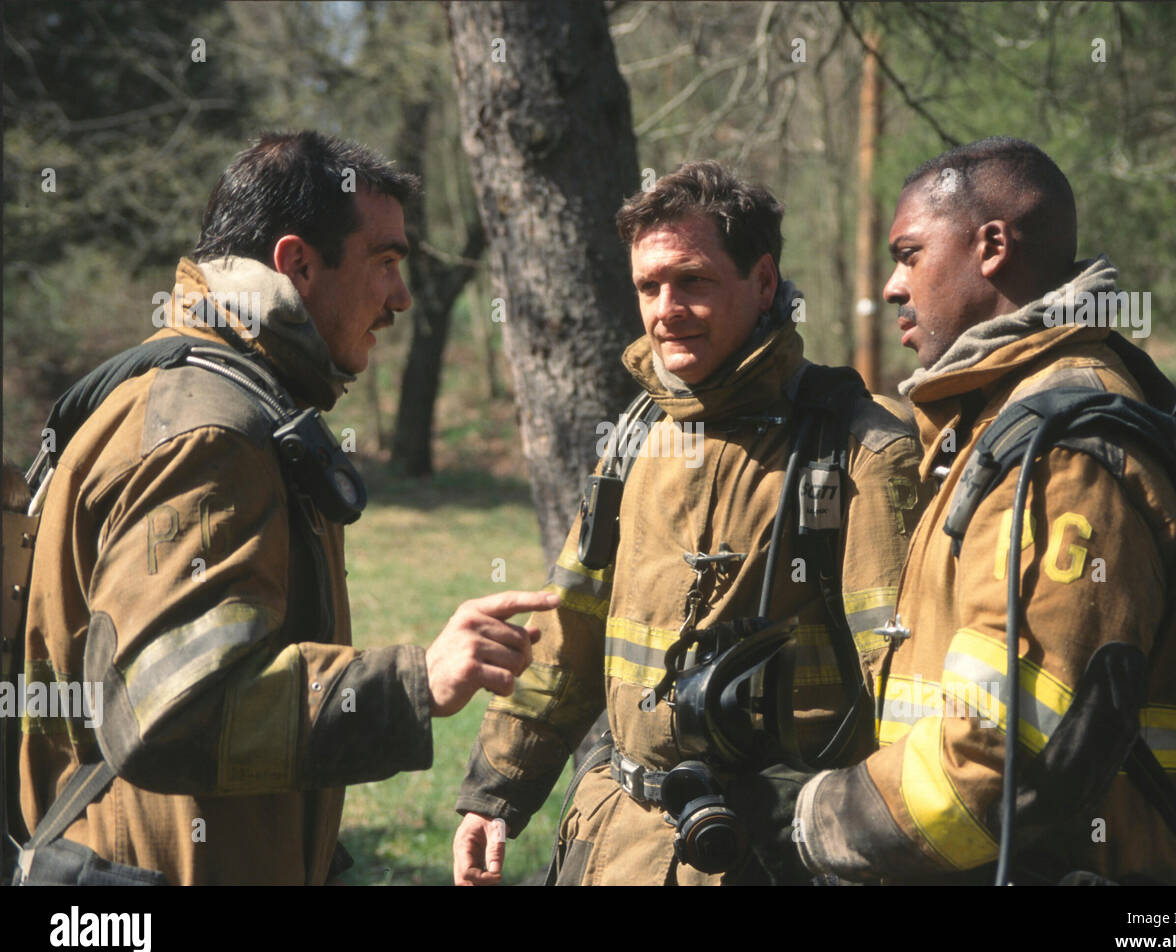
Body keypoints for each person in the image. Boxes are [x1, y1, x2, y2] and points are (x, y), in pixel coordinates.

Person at [14, 131, 557, 884]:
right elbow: (166, 711)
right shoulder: (210, 431)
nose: (401, 298)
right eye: (386, 263)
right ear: (298, 263)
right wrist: (415, 681)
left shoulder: (207, 395)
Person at [452, 161, 927, 885]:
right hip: (613, 847)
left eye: (693, 281)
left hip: (765, 858)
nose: (665, 308)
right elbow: (569, 629)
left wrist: (841, 830)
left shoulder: (858, 449)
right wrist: (495, 793)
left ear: (764, 283)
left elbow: (907, 695)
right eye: (649, 286)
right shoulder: (636, 435)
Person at [790, 137, 1176, 883]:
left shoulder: (1064, 450)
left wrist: (813, 819)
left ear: (991, 245)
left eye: (909, 253)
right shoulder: (999, 427)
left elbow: (993, 757)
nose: (893, 287)